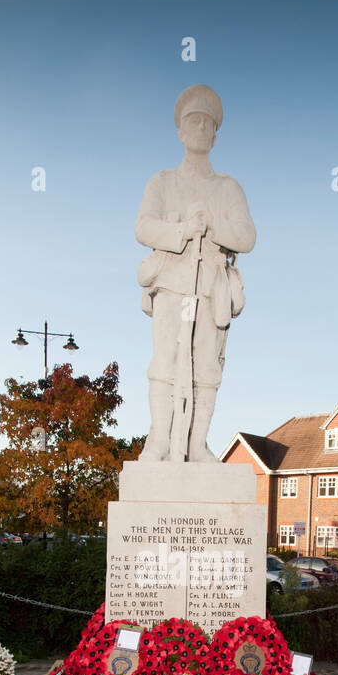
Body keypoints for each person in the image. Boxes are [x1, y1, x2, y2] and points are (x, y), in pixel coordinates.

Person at [135, 84, 256, 462]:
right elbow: (143, 227)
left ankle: (195, 442)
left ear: (216, 135)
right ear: (181, 131)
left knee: (207, 364)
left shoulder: (227, 188)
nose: (201, 128)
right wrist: (182, 230)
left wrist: (213, 225)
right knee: (166, 362)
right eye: (193, 121)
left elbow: (247, 236)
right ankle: (158, 438)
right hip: (173, 286)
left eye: (208, 123)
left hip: (211, 292)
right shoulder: (163, 182)